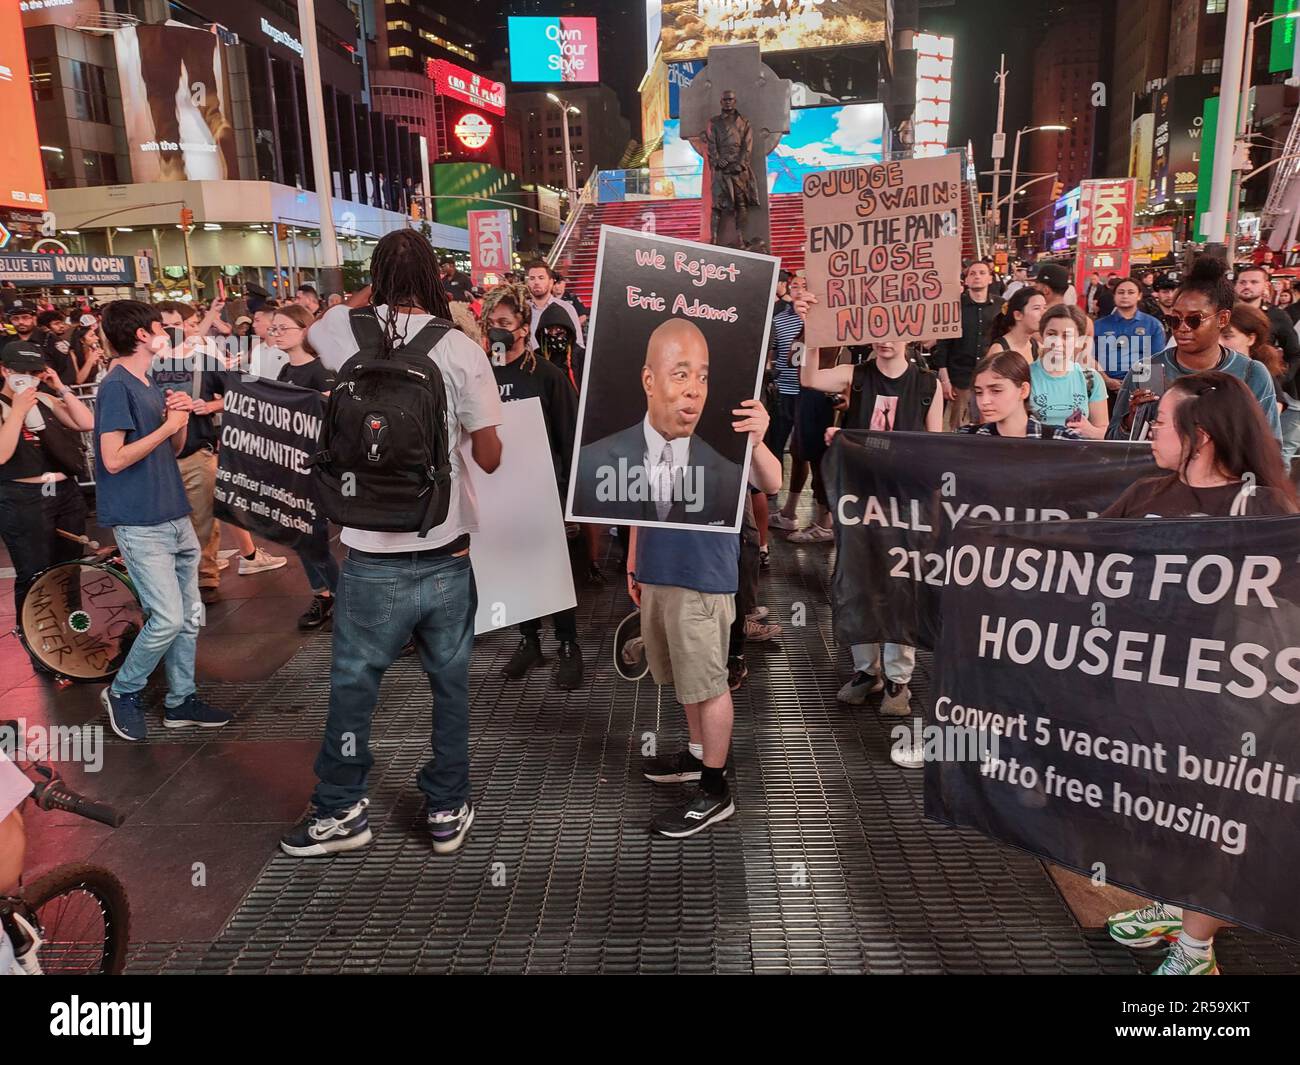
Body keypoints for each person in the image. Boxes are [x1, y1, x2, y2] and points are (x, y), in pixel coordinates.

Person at [283, 228, 503, 858]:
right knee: (450, 684)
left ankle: (342, 811)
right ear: (436, 277)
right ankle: (446, 807)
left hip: (367, 559)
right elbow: (488, 458)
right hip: (445, 551)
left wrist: (374, 294)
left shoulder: (341, 332)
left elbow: (323, 320)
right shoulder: (460, 348)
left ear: (375, 278)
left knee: (354, 685)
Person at [1102, 371, 1297, 975]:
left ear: (1201, 436)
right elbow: (1074, 567)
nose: (1150, 428)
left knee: (1217, 820)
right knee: (1166, 814)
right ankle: (1175, 906)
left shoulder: (1266, 512)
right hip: (1150, 695)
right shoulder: (1145, 496)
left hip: (1228, 706)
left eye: (1160, 420)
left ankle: (1195, 949)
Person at [630, 396, 782, 837]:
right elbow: (637, 497)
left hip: (703, 576)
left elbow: (770, 481)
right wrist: (635, 560)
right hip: (660, 569)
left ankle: (715, 792)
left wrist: (757, 439)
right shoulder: (653, 424)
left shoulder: (729, 425)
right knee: (685, 675)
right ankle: (699, 757)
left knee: (709, 682)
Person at [798, 310, 943, 731]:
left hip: (905, 502)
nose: (885, 340)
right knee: (860, 580)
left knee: (900, 585)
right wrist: (811, 329)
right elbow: (809, 378)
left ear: (912, 335)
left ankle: (899, 679)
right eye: (877, 330)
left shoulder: (927, 385)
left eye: (895, 332)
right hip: (858, 500)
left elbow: (933, 447)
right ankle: (867, 669)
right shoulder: (854, 375)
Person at [95, 299, 232, 741]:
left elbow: (168, 452)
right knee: (168, 617)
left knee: (190, 615)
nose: (167, 331)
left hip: (173, 513)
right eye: (161, 325)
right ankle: (123, 690)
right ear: (140, 334)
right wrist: (165, 424)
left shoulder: (149, 381)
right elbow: (112, 460)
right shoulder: (116, 386)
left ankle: (180, 700)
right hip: (139, 520)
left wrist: (178, 422)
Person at [480, 282, 585, 690]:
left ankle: (568, 646)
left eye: (505, 323)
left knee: (551, 571)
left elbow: (568, 436)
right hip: (498, 493)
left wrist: (566, 496)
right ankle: (529, 641)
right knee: (513, 570)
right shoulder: (483, 375)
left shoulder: (547, 376)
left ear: (524, 326)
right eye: (491, 323)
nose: (497, 331)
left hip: (543, 493)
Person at [571, 318, 745, 527]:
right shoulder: (588, 465)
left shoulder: (729, 477)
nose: (695, 391)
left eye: (702, 377)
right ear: (649, 381)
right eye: (681, 375)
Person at [1109, 258, 1281, 441]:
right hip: (1158, 470)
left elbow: (1269, 446)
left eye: (1194, 320)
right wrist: (1130, 422)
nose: (1182, 328)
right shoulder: (1149, 371)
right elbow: (1114, 446)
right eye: (1174, 320)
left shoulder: (1250, 373)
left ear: (1222, 319)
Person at [0, 340, 95, 620]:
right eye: (22, 372)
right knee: (33, 571)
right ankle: (40, 638)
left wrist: (60, 388)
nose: (29, 378)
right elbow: (2, 454)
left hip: (63, 491)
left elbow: (85, 422)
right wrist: (17, 410)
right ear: (5, 370)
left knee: (70, 567)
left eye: (36, 372)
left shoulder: (45, 398)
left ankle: (72, 630)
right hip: (23, 496)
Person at [154, 300, 228, 604]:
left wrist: (209, 405)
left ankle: (206, 577)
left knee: (204, 520)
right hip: (156, 458)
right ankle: (170, 581)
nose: (170, 331)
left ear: (187, 326)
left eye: (176, 325)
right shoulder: (146, 365)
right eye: (164, 326)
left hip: (198, 451)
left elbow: (235, 393)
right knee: (161, 524)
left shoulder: (204, 360)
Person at [270, 304, 339, 631]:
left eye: (284, 327)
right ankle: (323, 594)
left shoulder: (322, 370)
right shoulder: (286, 372)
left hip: (316, 466)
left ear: (304, 330)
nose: (277, 334)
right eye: (274, 328)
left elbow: (331, 419)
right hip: (292, 464)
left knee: (313, 536)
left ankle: (339, 594)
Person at [1233, 264, 1300, 463]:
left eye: (1254, 282)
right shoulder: (1224, 312)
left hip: (1272, 388)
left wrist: (1282, 378)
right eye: (1243, 282)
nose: (1247, 286)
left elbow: (1295, 353)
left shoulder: (1278, 316)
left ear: (1265, 286)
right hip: (1232, 387)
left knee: (1276, 453)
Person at [932, 261, 999, 430]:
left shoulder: (1000, 306)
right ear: (966, 280)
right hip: (959, 379)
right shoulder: (955, 305)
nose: (977, 276)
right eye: (972, 273)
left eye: (982, 273)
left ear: (990, 279)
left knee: (988, 425)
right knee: (957, 427)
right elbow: (943, 343)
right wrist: (945, 379)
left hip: (991, 378)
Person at [960, 349, 1082, 439]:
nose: (984, 401)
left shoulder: (1062, 440)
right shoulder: (963, 438)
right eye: (979, 392)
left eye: (996, 391)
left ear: (1023, 390)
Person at [1029, 305, 1108, 438]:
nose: (1057, 342)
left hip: (1078, 456)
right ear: (1042, 335)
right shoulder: (1023, 376)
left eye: (1067, 336)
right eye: (1051, 334)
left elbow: (1104, 431)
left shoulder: (1091, 379)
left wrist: (1090, 430)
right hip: (1035, 454)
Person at [1093, 277, 1167, 396]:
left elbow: (1157, 360)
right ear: (1114, 296)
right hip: (1104, 388)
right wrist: (1106, 380)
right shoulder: (1098, 325)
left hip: (1142, 389)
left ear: (1139, 296)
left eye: (1131, 292)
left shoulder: (1153, 325)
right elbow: (1091, 358)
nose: (1125, 296)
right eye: (1121, 292)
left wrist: (1135, 386)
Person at [524, 260, 584, 350]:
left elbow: (578, 343)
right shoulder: (522, 309)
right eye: (532, 278)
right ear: (528, 282)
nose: (536, 282)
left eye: (541, 278)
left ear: (551, 282)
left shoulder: (566, 308)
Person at [987, 287, 1046, 363]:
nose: (1044, 313)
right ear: (1018, 315)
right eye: (1037, 308)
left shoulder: (1038, 347)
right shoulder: (999, 350)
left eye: (1045, 308)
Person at [35, 310, 75, 386]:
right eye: (56, 323)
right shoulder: (52, 342)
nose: (61, 326)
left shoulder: (59, 341)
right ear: (45, 327)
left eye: (62, 323)